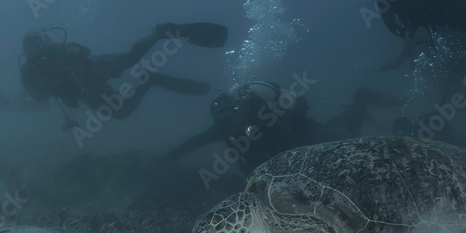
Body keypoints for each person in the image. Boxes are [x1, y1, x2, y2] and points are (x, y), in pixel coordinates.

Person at [19, 22, 228, 130]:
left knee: (131, 57)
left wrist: (64, 55)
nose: (36, 52)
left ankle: (160, 33)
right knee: (122, 113)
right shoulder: (29, 73)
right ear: (26, 53)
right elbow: (41, 99)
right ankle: (149, 81)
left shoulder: (57, 49)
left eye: (37, 45)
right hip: (87, 91)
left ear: (44, 42)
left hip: (94, 69)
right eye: (30, 49)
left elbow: (85, 52)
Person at [166, 82, 402, 173]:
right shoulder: (222, 130)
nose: (229, 122)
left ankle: (360, 103)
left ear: (238, 108)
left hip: (308, 139)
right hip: (287, 160)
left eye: (230, 114)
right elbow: (192, 143)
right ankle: (354, 108)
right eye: (221, 119)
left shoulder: (257, 112)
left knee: (348, 140)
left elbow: (298, 109)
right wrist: (168, 159)